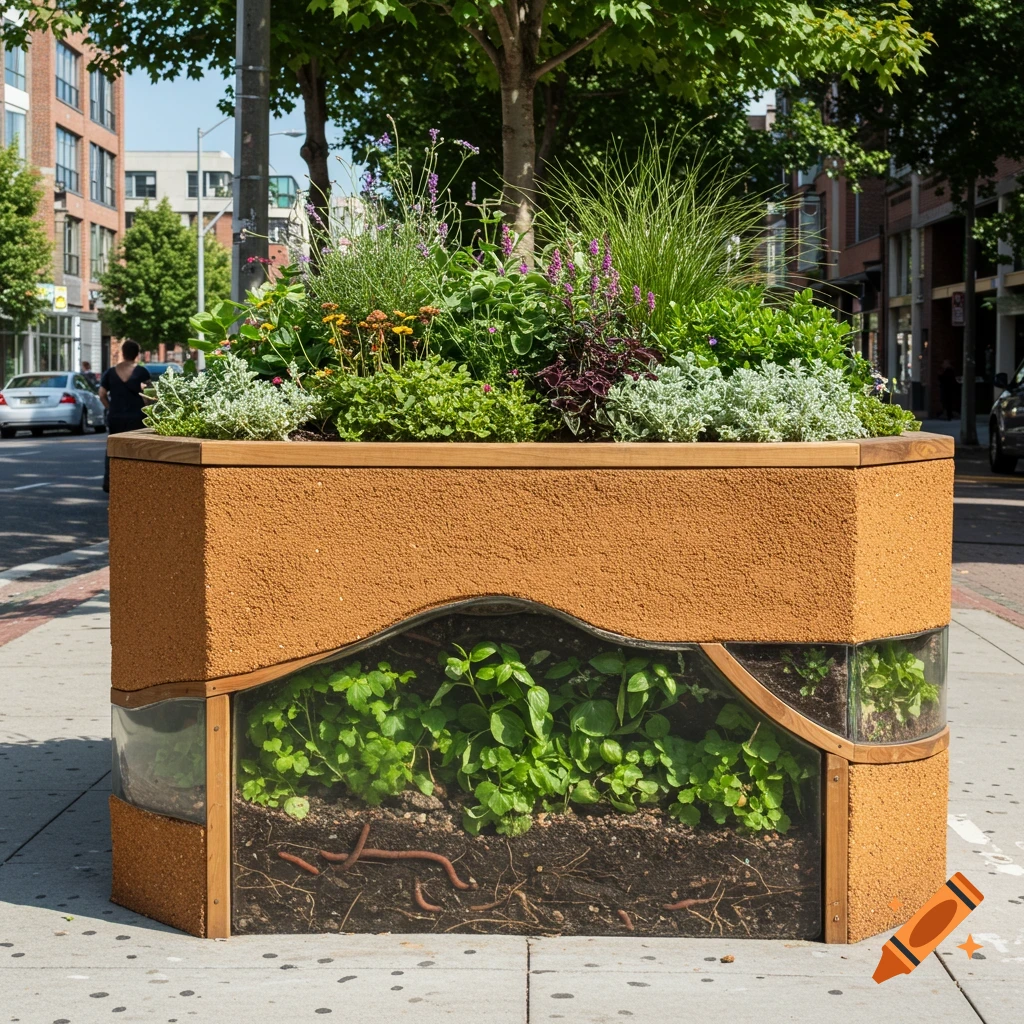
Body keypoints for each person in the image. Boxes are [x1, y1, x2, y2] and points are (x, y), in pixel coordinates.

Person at [99, 341, 151, 492]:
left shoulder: (110, 372)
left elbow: (102, 394)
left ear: (122, 352)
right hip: (136, 416)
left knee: (112, 448)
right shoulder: (142, 372)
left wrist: (110, 408)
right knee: (137, 448)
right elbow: (148, 395)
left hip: (116, 416)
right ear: (137, 354)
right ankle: (136, 480)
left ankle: (109, 481)